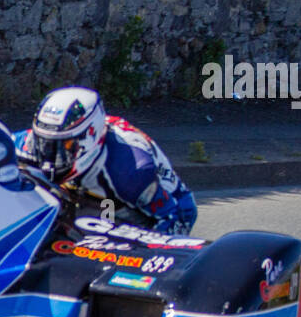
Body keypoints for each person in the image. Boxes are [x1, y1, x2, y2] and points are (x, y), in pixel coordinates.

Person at [14, 86, 197, 235]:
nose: (49, 159)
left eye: (64, 147)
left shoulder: (130, 171)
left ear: (90, 137)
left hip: (160, 209)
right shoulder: (28, 143)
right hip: (86, 191)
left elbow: (175, 217)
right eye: (43, 143)